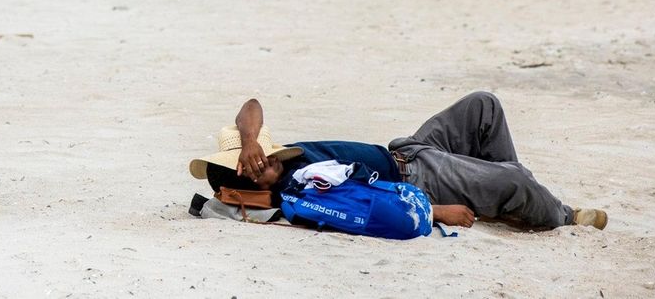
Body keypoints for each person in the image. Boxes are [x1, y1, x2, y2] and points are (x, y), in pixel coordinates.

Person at [191, 92, 608, 231]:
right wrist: (436, 211)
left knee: (484, 106)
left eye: (260, 153)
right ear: (241, 186)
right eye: (254, 165)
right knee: (514, 182)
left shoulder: (271, 156)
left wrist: (247, 140)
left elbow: (250, 104)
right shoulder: (297, 192)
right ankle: (563, 215)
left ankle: (498, 189)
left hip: (408, 147)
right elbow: (363, 208)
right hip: (418, 177)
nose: (264, 159)